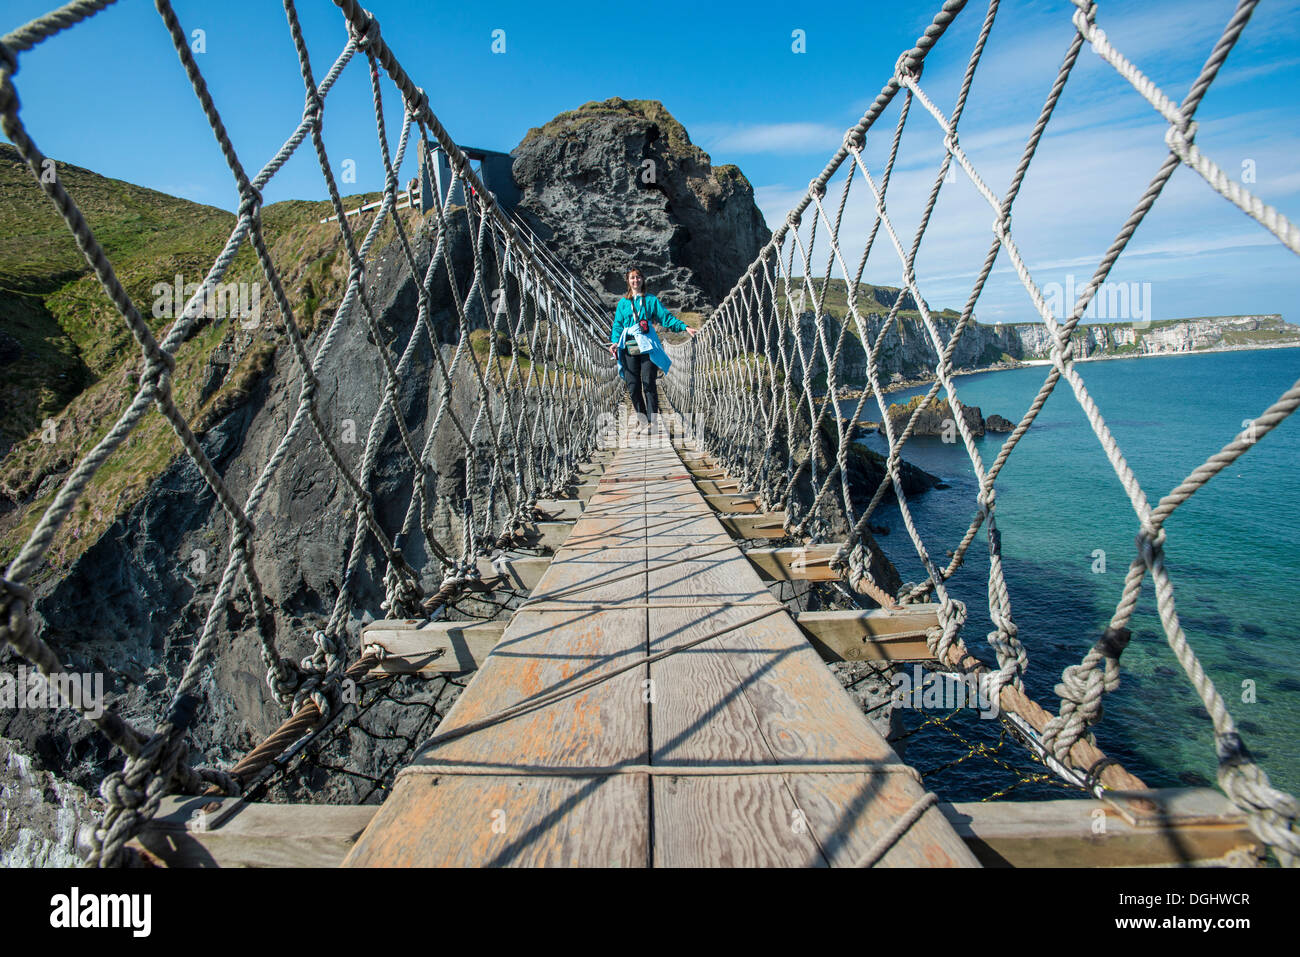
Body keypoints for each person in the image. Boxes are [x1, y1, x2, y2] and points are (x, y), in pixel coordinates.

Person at [608, 267, 697, 431]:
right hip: (628, 346)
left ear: (643, 280)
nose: (636, 280)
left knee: (649, 382)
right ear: (628, 281)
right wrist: (614, 342)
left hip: (648, 346)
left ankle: (652, 422)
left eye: (638, 277)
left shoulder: (651, 300)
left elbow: (666, 318)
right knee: (633, 385)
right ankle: (642, 419)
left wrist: (685, 327)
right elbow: (617, 326)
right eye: (632, 278)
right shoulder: (623, 303)